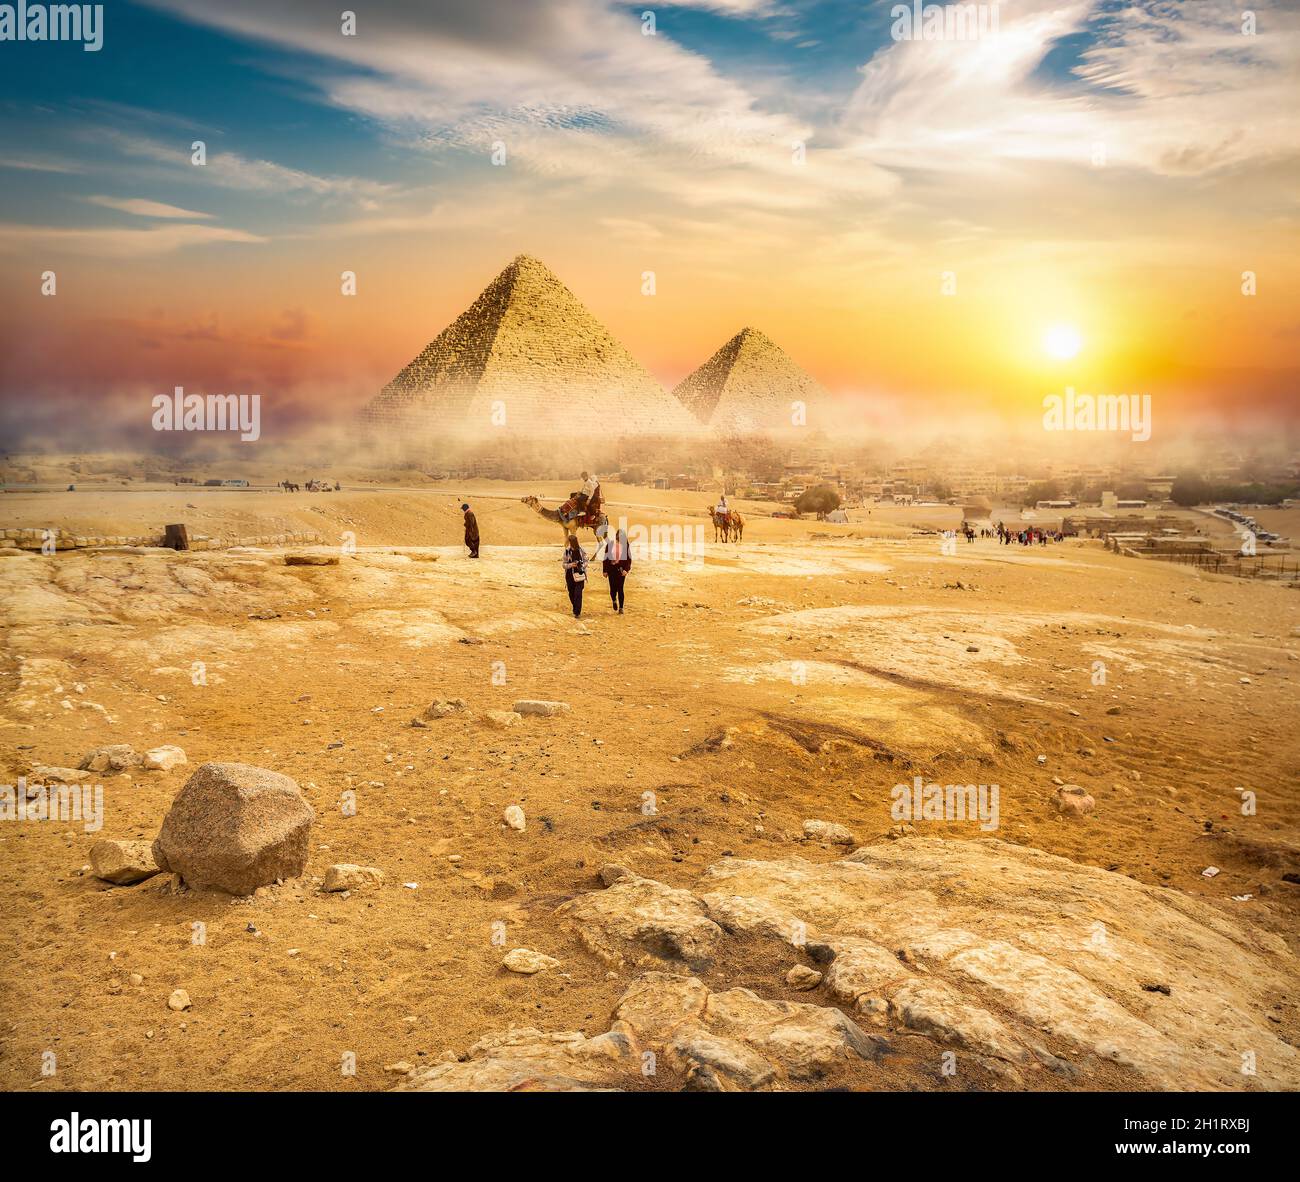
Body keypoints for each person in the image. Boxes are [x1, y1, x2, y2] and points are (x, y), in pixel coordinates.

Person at [602, 526, 632, 614]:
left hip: (621, 570)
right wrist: (605, 570)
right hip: (611, 570)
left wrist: (626, 570)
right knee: (612, 588)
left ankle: (621, 607)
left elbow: (629, 559)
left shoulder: (626, 545)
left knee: (620, 588)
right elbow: (605, 558)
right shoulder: (610, 544)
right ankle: (614, 600)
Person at [562, 534, 588, 617]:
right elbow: (563, 564)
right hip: (570, 576)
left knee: (578, 593)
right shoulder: (567, 551)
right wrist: (571, 565)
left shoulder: (581, 550)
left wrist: (581, 565)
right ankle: (575, 607)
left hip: (580, 575)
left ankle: (577, 612)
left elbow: (586, 561)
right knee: (571, 593)